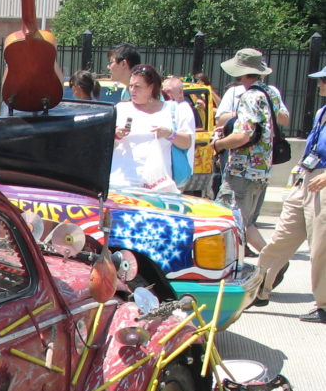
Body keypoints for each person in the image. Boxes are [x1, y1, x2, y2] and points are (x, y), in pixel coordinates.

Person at [244, 66, 326, 321]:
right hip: (306, 181)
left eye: (323, 80)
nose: (320, 84)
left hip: (323, 182)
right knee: (280, 239)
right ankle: (259, 289)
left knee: (321, 248)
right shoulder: (323, 111)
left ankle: (323, 305)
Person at [210, 49, 278, 254]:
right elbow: (277, 121)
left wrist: (218, 145)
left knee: (229, 222)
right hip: (261, 169)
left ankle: (272, 265)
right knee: (245, 223)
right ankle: (273, 263)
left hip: (243, 170)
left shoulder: (249, 96)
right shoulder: (270, 93)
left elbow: (243, 136)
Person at [109, 64, 194, 194]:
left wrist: (170, 134)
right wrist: (116, 134)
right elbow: (103, 142)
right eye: (130, 86)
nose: (132, 90)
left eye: (137, 86)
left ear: (151, 87)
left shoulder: (173, 109)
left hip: (158, 186)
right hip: (122, 184)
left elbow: (187, 142)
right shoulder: (121, 108)